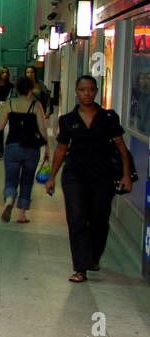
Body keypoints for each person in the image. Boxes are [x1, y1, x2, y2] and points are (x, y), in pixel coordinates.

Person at [45, 75, 133, 282]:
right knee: (76, 218)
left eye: (91, 90)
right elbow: (61, 149)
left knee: (99, 218)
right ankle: (80, 267)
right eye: (83, 90)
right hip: (75, 174)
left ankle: (93, 256)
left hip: (103, 175)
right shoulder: (67, 120)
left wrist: (126, 175)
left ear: (96, 92)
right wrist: (52, 177)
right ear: (76, 91)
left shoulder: (109, 118)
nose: (87, 94)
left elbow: (121, 147)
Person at [0, 74, 49, 223]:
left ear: (16, 89)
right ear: (31, 89)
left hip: (13, 146)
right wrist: (47, 149)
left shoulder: (9, 104)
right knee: (27, 181)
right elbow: (43, 129)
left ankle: (9, 200)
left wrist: (0, 113)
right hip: (31, 149)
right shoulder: (36, 105)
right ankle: (22, 215)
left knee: (11, 179)